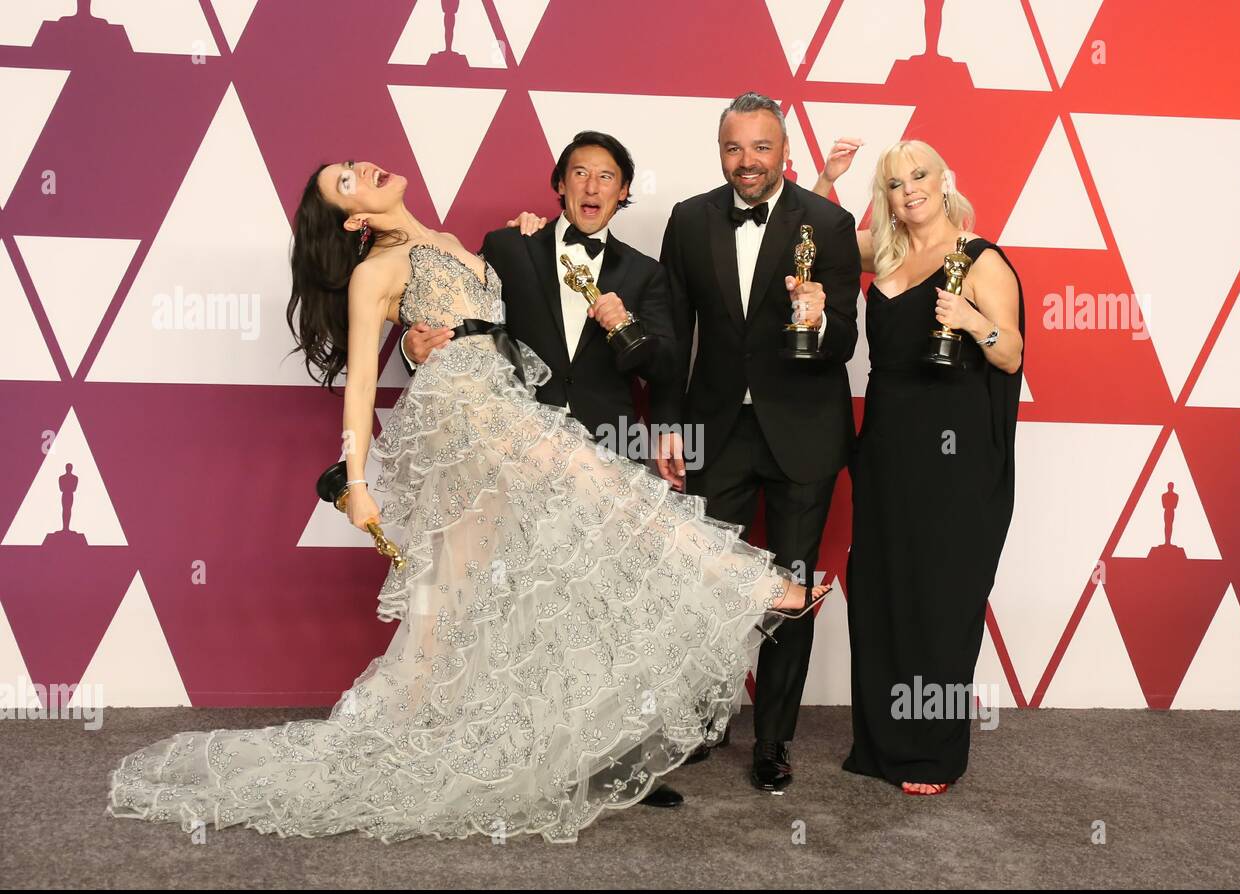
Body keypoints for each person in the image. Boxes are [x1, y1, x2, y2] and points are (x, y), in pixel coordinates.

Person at [104, 157, 829, 844]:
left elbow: (495, 318)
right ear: (354, 220)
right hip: (464, 413)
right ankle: (761, 585)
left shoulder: (460, 241)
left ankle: (437, 739)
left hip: (502, 396)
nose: (365, 171)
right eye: (347, 182)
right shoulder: (378, 272)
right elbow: (361, 385)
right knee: (603, 491)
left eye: (354, 164)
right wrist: (357, 483)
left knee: (466, 595)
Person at [399, 130, 684, 807]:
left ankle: (620, 765)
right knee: (521, 605)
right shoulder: (507, 248)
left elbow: (668, 366)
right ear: (559, 185)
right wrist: (415, 349)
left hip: (604, 454)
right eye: (579, 173)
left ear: (623, 192)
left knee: (607, 610)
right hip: (513, 453)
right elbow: (462, 329)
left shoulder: (645, 274)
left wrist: (627, 330)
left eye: (606, 176)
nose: (591, 187)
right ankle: (522, 760)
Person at [655, 92, 862, 794]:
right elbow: (675, 334)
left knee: (791, 591)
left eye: (760, 147)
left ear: (783, 149)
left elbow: (844, 342)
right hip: (718, 432)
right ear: (720, 151)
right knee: (711, 586)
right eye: (733, 148)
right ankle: (707, 722)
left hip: (803, 431)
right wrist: (669, 425)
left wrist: (822, 316)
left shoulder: (829, 222)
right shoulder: (688, 219)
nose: (747, 162)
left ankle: (774, 741)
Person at [813, 137, 1023, 795]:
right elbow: (815, 243)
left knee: (939, 592)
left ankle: (931, 753)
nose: (911, 190)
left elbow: (1012, 354)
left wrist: (969, 321)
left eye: (921, 175)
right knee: (881, 585)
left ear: (944, 179)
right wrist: (827, 177)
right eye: (897, 182)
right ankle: (881, 744)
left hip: (953, 448)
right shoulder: (889, 251)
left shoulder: (981, 260)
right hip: (887, 441)